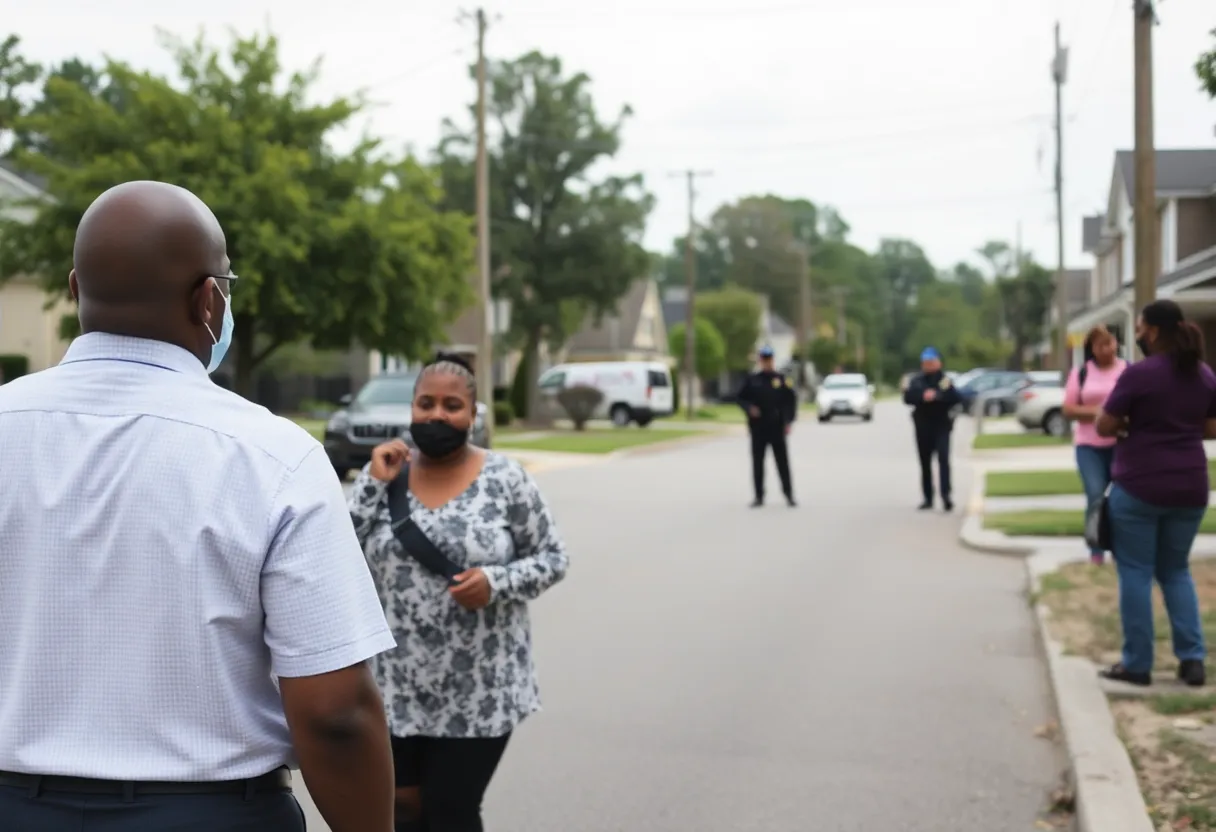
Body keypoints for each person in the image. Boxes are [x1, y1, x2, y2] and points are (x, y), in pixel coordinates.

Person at [0, 181, 397, 831]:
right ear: (208, 300)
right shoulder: (274, 456)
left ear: (75, 291)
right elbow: (335, 713)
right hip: (212, 813)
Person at [349, 353, 570, 832]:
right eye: (426, 403)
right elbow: (340, 554)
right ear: (411, 409)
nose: (437, 416)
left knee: (451, 813)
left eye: (452, 406)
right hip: (396, 687)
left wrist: (496, 582)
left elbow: (554, 557)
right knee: (401, 813)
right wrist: (370, 483)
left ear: (473, 415)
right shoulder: (388, 477)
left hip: (480, 691)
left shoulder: (505, 479)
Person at [1095, 299, 1216, 687]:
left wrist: (1136, 428)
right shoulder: (1204, 375)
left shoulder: (1139, 375)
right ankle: (1192, 660)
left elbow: (1104, 425)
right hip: (1191, 486)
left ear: (1155, 331)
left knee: (1135, 571)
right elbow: (1211, 429)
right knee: (1176, 570)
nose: (1138, 334)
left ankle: (1138, 664)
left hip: (1140, 485)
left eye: (1142, 327)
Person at [1063, 326, 1127, 565]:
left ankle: (1121, 548)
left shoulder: (1128, 370)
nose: (1107, 348)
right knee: (1095, 495)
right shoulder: (1081, 373)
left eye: (1110, 343)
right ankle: (1096, 549)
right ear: (1092, 348)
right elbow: (1068, 409)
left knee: (1123, 499)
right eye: (1101, 344)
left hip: (1122, 444)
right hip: (1088, 446)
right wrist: (1101, 413)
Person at [735, 345, 797, 508]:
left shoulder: (781, 380)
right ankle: (758, 496)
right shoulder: (753, 380)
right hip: (758, 428)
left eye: (769, 360)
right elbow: (740, 398)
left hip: (777, 427)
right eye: (763, 360)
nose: (766, 363)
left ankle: (788, 494)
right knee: (758, 463)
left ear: (773, 361)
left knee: (782, 462)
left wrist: (789, 421)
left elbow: (791, 402)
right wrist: (749, 409)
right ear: (760, 361)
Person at [903, 346, 961, 511]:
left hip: (941, 425)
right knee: (925, 463)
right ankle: (928, 497)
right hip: (923, 426)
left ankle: (946, 495)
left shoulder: (944, 380)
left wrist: (937, 396)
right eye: (926, 363)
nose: (928, 366)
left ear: (938, 363)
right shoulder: (917, 381)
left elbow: (955, 397)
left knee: (943, 460)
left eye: (932, 362)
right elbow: (908, 397)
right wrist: (923, 396)